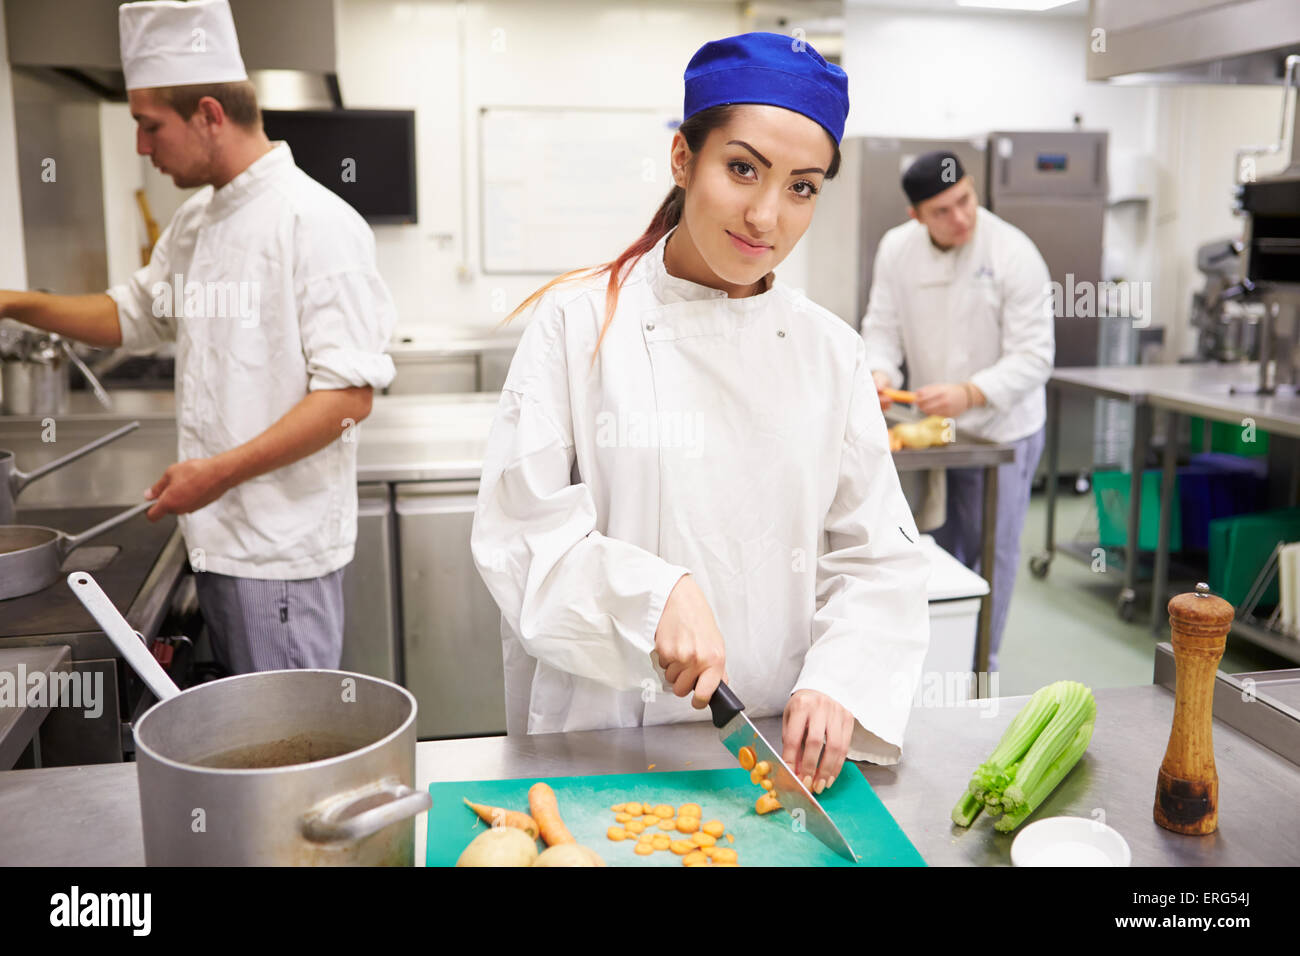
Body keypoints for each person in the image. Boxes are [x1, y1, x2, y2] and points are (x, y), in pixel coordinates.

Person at [471, 32, 930, 793]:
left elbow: (876, 556)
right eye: (741, 168)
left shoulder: (830, 353)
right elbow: (520, 536)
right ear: (684, 160)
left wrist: (841, 678)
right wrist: (653, 598)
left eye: (802, 186)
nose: (765, 216)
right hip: (603, 743)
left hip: (771, 752)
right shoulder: (577, 326)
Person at [0, 0, 396, 673]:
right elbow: (132, 315)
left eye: (150, 126)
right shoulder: (195, 221)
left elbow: (347, 400)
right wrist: (15, 302)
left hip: (278, 562)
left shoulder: (317, 223)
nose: (142, 147)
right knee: (254, 752)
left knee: (288, 758)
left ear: (209, 115)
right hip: (215, 542)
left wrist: (213, 476)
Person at [861, 150, 1054, 672]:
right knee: (930, 546)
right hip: (933, 430)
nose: (961, 217)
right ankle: (929, 659)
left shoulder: (1013, 252)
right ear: (917, 216)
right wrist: (880, 375)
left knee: (993, 552)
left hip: (1001, 429)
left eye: (965, 200)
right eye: (942, 211)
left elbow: (1035, 357)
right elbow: (881, 328)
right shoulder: (896, 250)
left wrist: (971, 392)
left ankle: (979, 665)